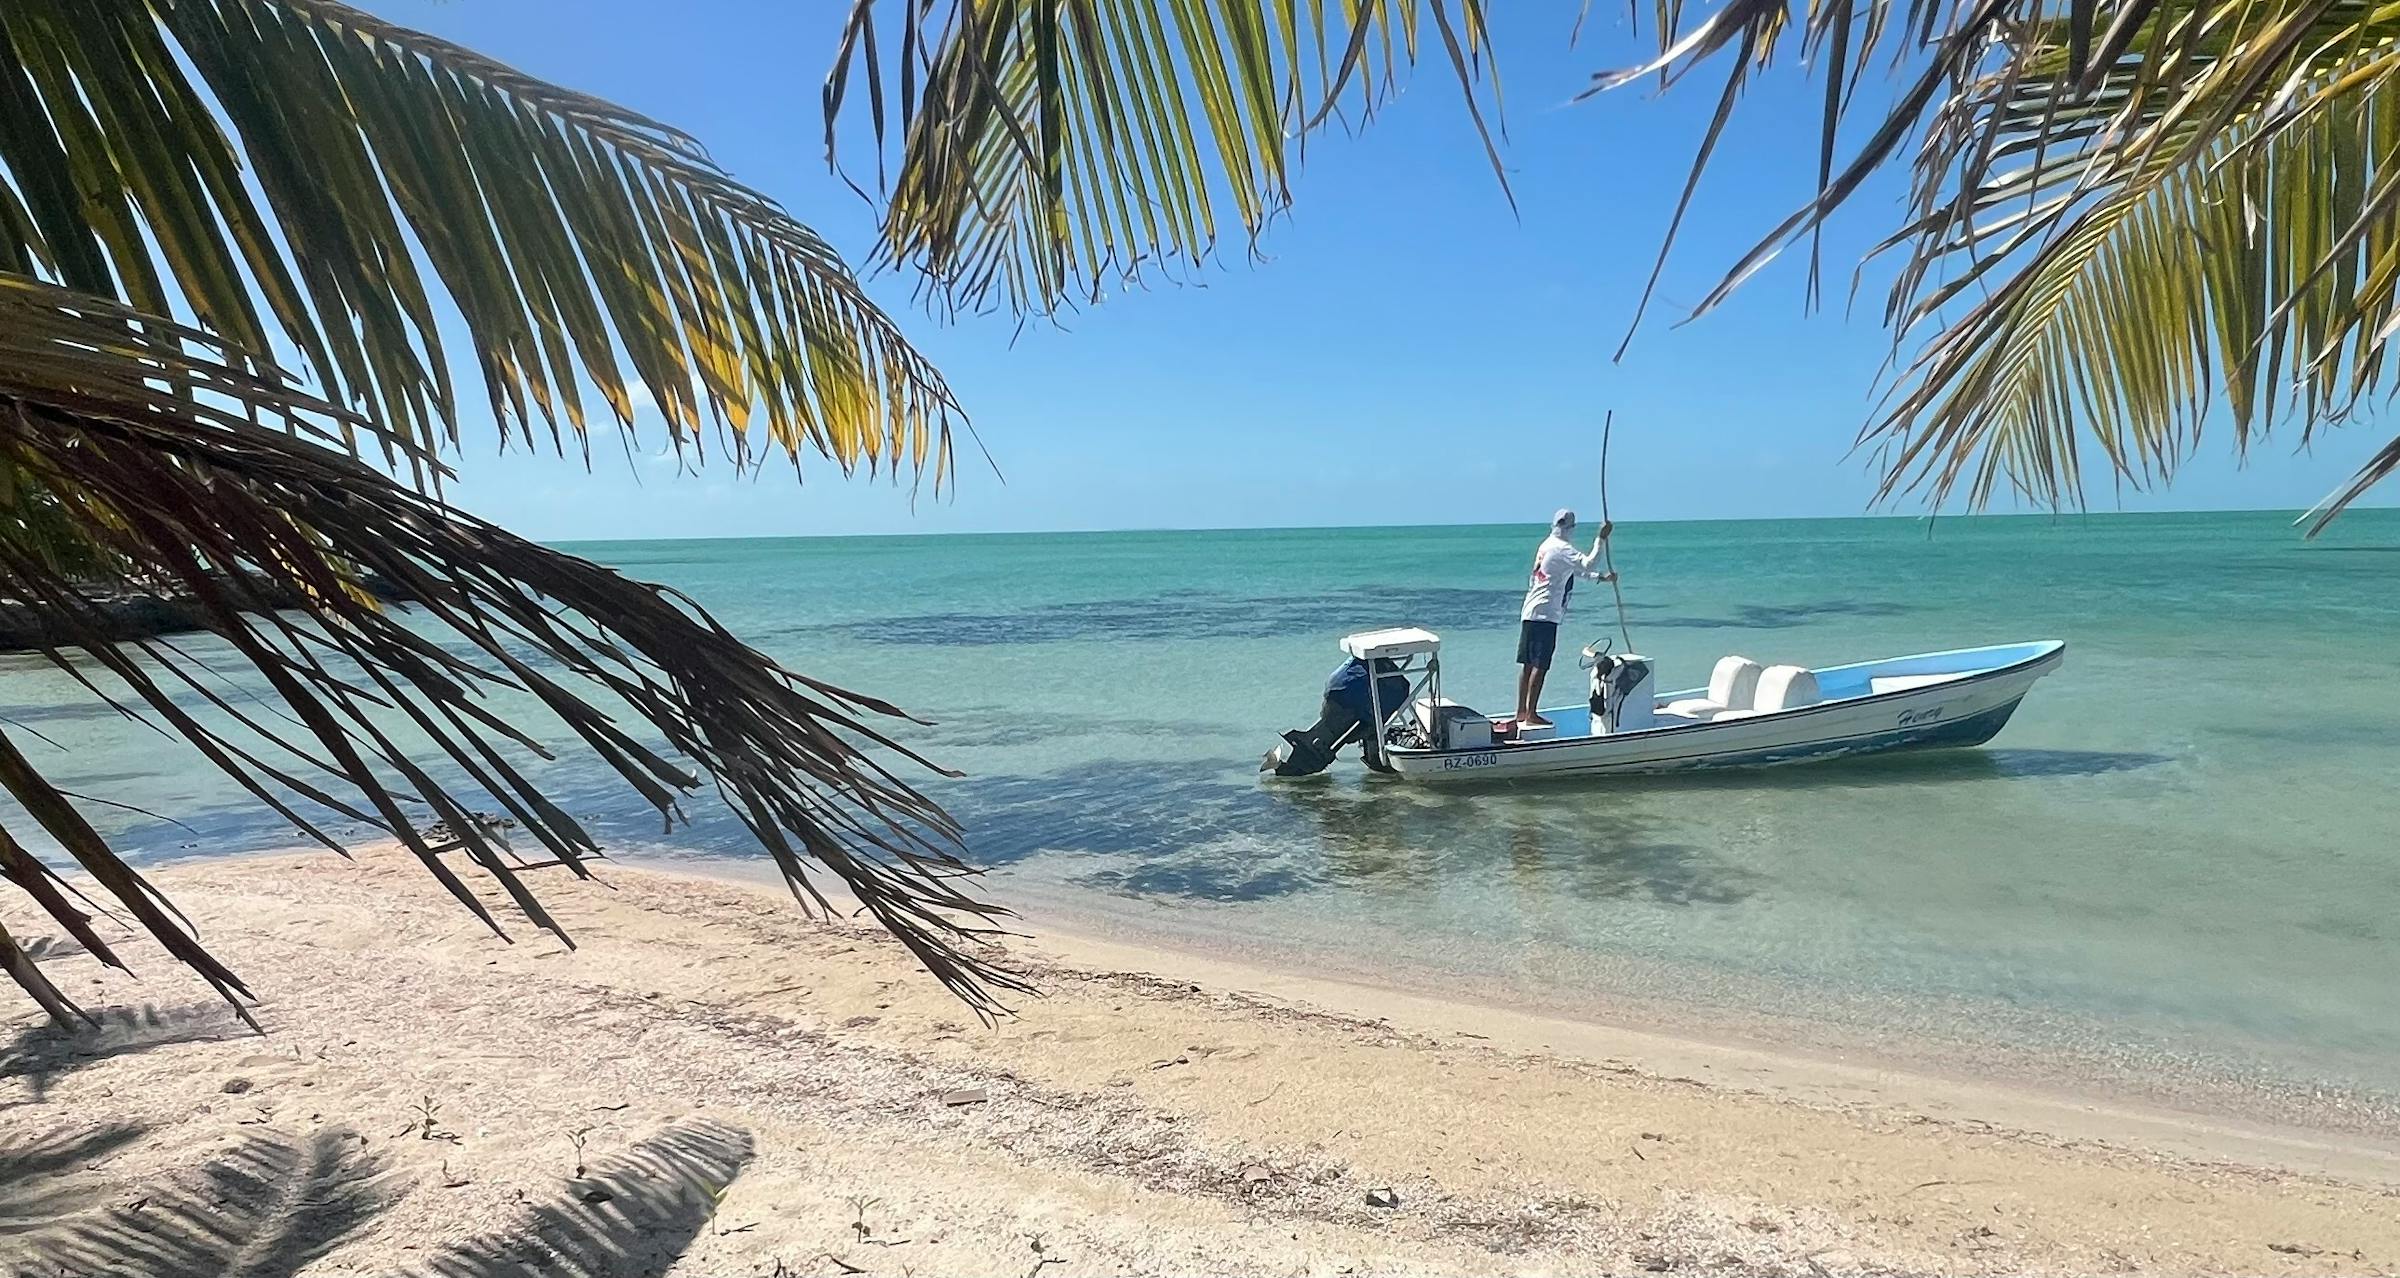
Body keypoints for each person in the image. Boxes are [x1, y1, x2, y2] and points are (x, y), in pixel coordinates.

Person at [1516, 508, 1613, 728]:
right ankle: (1531, 713)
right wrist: (1601, 538)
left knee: (1528, 664)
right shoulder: (1562, 548)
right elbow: (1588, 564)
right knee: (1540, 665)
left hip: (1530, 611)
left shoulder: (1547, 545)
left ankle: (1521, 711)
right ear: (1570, 528)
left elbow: (1574, 571)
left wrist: (1601, 578)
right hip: (1545, 614)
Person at [1320, 654, 1412, 771]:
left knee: (1350, 727)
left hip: (1336, 689)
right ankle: (1376, 753)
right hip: (1348, 698)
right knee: (1367, 725)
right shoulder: (1399, 686)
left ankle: (1373, 751)